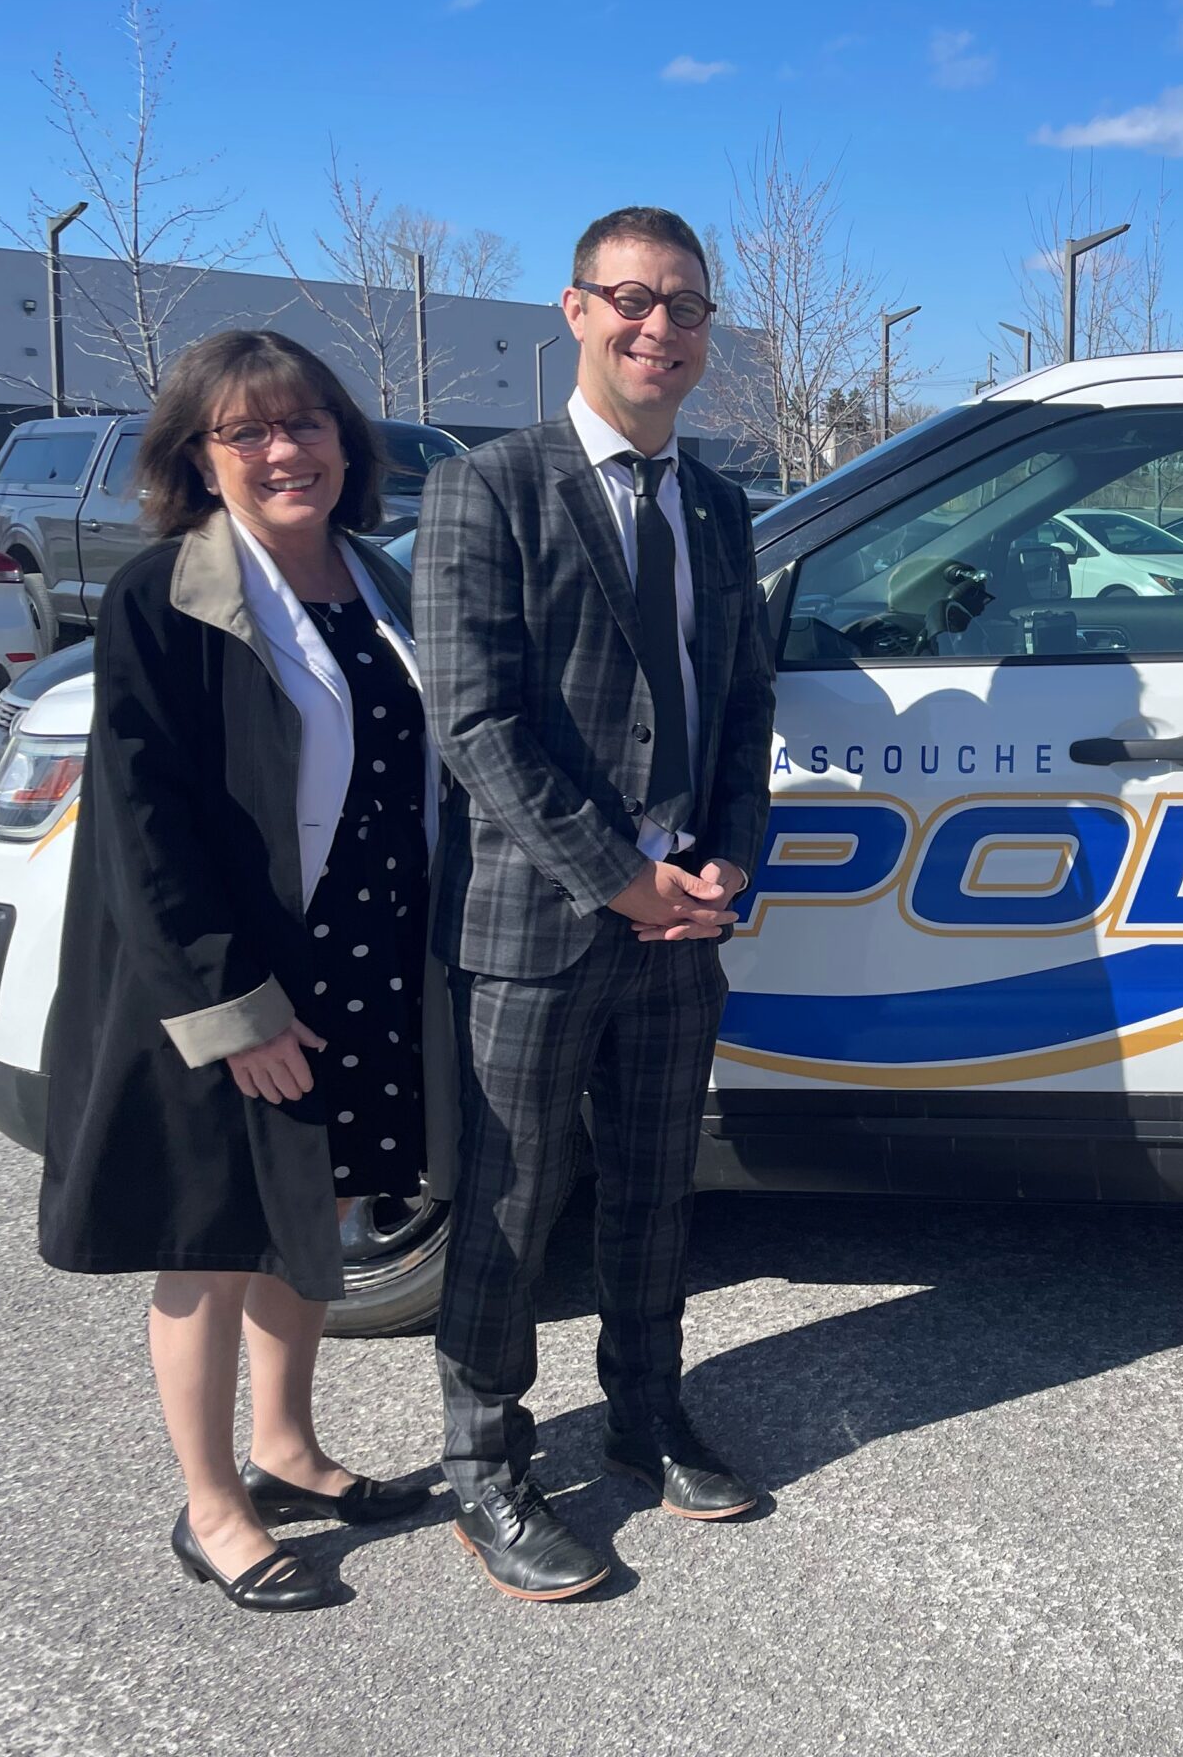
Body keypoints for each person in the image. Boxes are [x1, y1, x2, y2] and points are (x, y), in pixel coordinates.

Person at [39, 330, 445, 1611]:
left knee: (307, 1216)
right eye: (249, 432)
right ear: (199, 460)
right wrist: (228, 1010)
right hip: (227, 979)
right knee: (211, 1241)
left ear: (346, 440)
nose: (286, 451)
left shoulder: (376, 577)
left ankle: (287, 1448)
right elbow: (142, 830)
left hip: (356, 955)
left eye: (308, 423)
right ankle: (212, 1506)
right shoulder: (165, 598)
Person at [415, 206, 778, 1602]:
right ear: (573, 313)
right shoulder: (488, 489)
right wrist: (615, 876)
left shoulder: (721, 501)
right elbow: (476, 720)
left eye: (685, 307)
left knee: (651, 1187)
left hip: (684, 919)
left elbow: (744, 703)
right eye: (632, 300)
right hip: (539, 919)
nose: (659, 328)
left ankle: (645, 1413)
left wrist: (730, 858)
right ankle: (487, 1466)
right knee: (510, 1205)